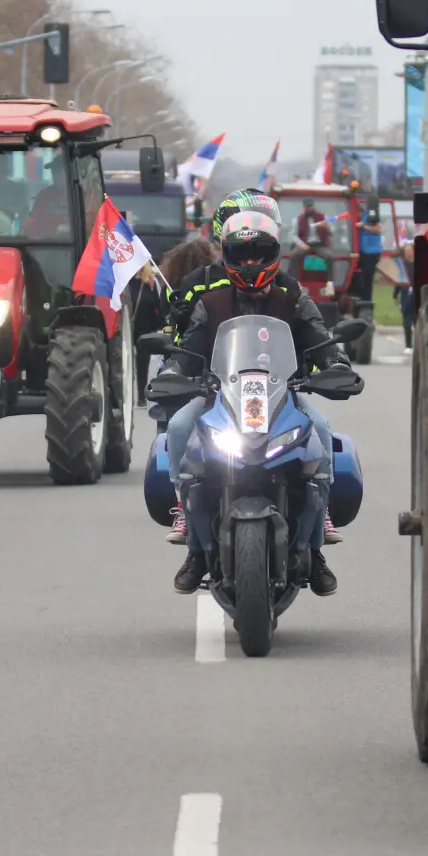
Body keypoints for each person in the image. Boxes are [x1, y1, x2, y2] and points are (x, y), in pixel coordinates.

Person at [166, 209, 356, 597]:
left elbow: (320, 340)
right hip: (220, 396)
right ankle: (194, 544)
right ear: (228, 255)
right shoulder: (211, 302)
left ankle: (316, 544)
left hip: (283, 394)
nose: (251, 262)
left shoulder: (294, 298)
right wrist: (171, 371)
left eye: (259, 252)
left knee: (320, 429)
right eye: (242, 253)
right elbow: (188, 350)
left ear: (275, 253)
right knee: (178, 427)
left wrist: (335, 365)